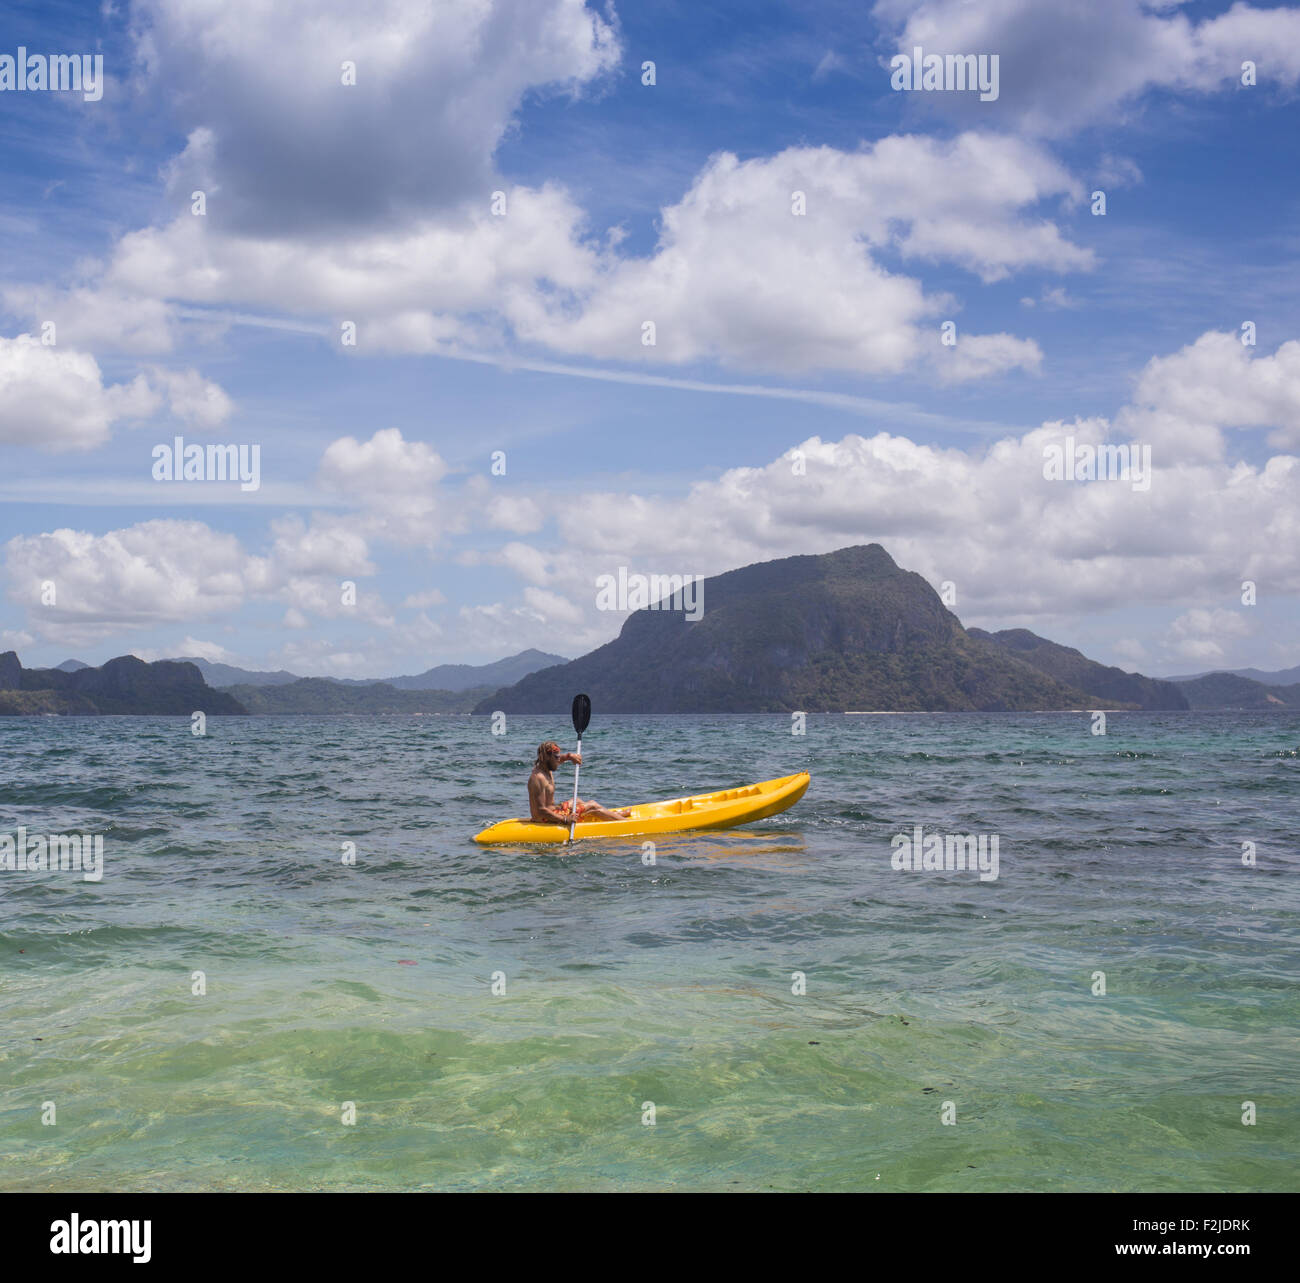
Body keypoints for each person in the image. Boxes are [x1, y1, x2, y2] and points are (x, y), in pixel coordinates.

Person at [528, 740, 630, 825]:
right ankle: (625, 823)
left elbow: (561, 759)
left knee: (576, 800)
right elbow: (541, 810)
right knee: (592, 806)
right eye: (556, 757)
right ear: (547, 757)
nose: (558, 760)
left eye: (558, 757)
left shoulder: (547, 766)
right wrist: (565, 820)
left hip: (552, 810)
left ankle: (614, 814)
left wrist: (569, 756)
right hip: (545, 819)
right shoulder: (538, 778)